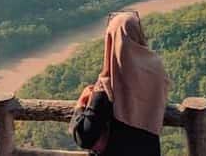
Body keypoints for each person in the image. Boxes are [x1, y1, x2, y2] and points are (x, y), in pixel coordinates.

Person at [71, 11, 170, 155]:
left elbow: (85, 138)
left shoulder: (108, 85)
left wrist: (80, 105)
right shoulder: (156, 71)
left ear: (111, 40)